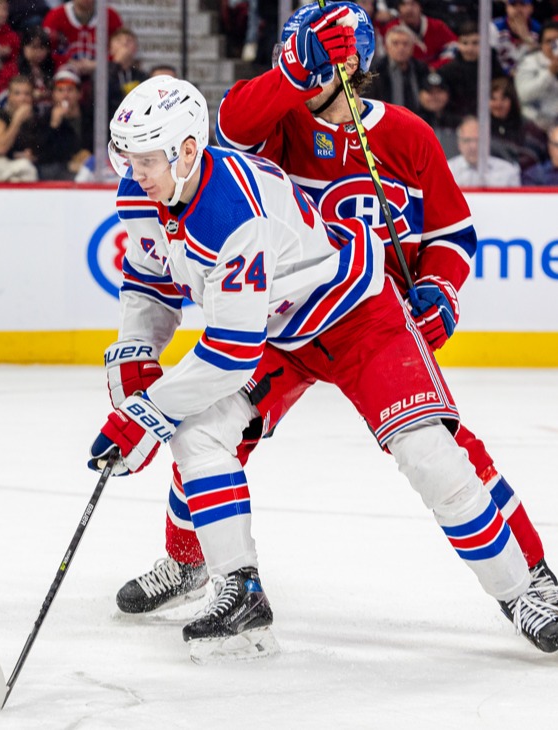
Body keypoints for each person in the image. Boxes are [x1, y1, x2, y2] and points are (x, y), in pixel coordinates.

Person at [120, 5, 557, 646]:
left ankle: (530, 581)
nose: (296, 70)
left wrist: (439, 290)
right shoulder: (279, 121)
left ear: (350, 68)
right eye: (289, 55)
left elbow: (452, 235)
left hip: (366, 317)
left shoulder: (407, 135)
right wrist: (293, 73)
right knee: (206, 432)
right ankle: (191, 561)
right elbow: (234, 121)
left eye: (312, 60)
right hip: (281, 328)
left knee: (438, 451)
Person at [438, 21, 505, 118]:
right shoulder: (447, 71)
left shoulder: (494, 68)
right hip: (458, 122)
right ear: (458, 44)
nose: (470, 48)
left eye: (475, 43)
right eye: (465, 43)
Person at [41, 0, 122, 81]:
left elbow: (122, 51)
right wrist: (66, 61)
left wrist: (98, 64)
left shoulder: (111, 16)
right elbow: (44, 50)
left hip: (102, 73)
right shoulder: (55, 16)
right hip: (64, 72)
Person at [0, 74, 38, 181]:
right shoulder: (0, 117)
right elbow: (1, 149)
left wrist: (32, 156)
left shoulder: (38, 118)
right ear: (10, 96)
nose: (23, 98)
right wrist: (17, 120)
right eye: (17, 93)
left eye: (27, 94)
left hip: (25, 168)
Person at [33, 68, 86, 180]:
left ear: (79, 93)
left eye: (70, 90)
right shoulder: (45, 118)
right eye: (60, 90)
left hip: (87, 166)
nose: (65, 95)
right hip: (59, 169)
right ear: (53, 94)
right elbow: (42, 155)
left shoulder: (89, 116)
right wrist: (54, 125)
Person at [487, 76, 547, 172]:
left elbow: (533, 157)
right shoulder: (481, 128)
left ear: (513, 101)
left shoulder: (529, 128)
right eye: (493, 99)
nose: (498, 104)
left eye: (503, 99)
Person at [369, 23, 428, 112]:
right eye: (395, 43)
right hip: (386, 117)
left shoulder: (421, 69)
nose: (401, 48)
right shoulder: (375, 71)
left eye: (405, 44)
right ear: (386, 47)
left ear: (412, 48)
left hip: (417, 117)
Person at [448, 115, 521, 187]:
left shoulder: (507, 172)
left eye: (478, 140)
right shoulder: (447, 171)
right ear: (459, 144)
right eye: (467, 140)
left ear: (487, 142)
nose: (473, 146)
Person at [379, 0, 455, 68]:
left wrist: (436, 66)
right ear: (398, 8)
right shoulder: (390, 30)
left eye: (413, 4)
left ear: (420, 6)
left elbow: (454, 45)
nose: (409, 9)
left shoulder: (437, 26)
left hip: (439, 71)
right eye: (403, 4)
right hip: (408, 73)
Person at [0, 26, 54, 113]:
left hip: (50, 113)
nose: (38, 52)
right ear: (24, 47)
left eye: (42, 48)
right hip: (21, 113)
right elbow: (1, 98)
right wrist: (28, 95)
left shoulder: (54, 65)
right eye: (34, 47)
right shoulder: (11, 69)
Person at [514, 21, 558, 130]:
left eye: (557, 41)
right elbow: (523, 96)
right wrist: (550, 73)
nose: (554, 46)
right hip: (535, 124)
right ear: (541, 44)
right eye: (549, 41)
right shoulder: (528, 63)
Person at [490, 0, 541, 76]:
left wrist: (527, 38)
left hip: (528, 79)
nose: (518, 9)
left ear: (531, 8)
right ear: (507, 8)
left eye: (523, 4)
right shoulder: (493, 28)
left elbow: (541, 62)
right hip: (500, 78)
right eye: (513, 5)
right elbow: (488, 61)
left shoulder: (539, 30)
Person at [415, 71, 458, 157]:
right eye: (430, 92)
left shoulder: (457, 122)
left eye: (439, 91)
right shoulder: (412, 122)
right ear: (420, 95)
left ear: (447, 94)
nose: (435, 97)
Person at [106, 26, 146, 117]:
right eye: (119, 40)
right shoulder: (102, 73)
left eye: (129, 41)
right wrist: (116, 63)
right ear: (110, 49)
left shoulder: (141, 75)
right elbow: (101, 95)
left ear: (135, 48)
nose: (124, 44)